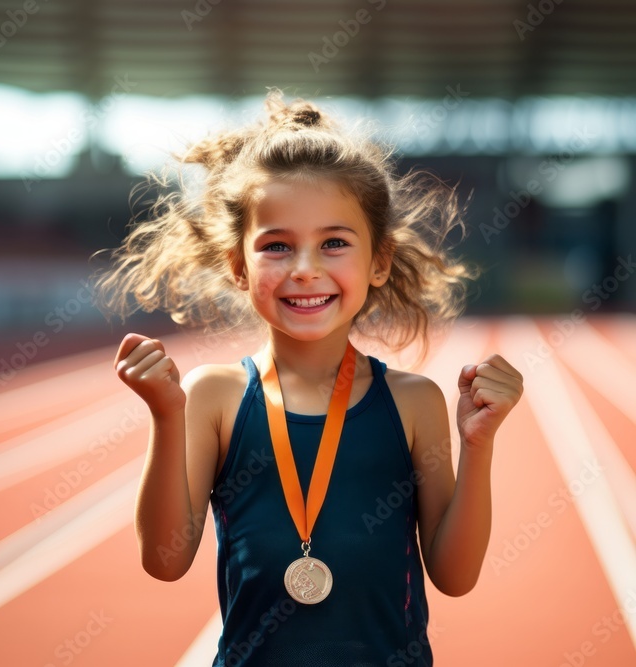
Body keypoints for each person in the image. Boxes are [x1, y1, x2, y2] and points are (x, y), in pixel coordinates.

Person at [93, 90, 523, 666]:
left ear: (379, 260)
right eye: (276, 245)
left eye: (334, 243)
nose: (304, 269)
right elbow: (165, 562)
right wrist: (166, 416)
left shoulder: (413, 401)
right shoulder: (214, 397)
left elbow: (455, 575)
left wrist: (479, 444)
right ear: (238, 265)